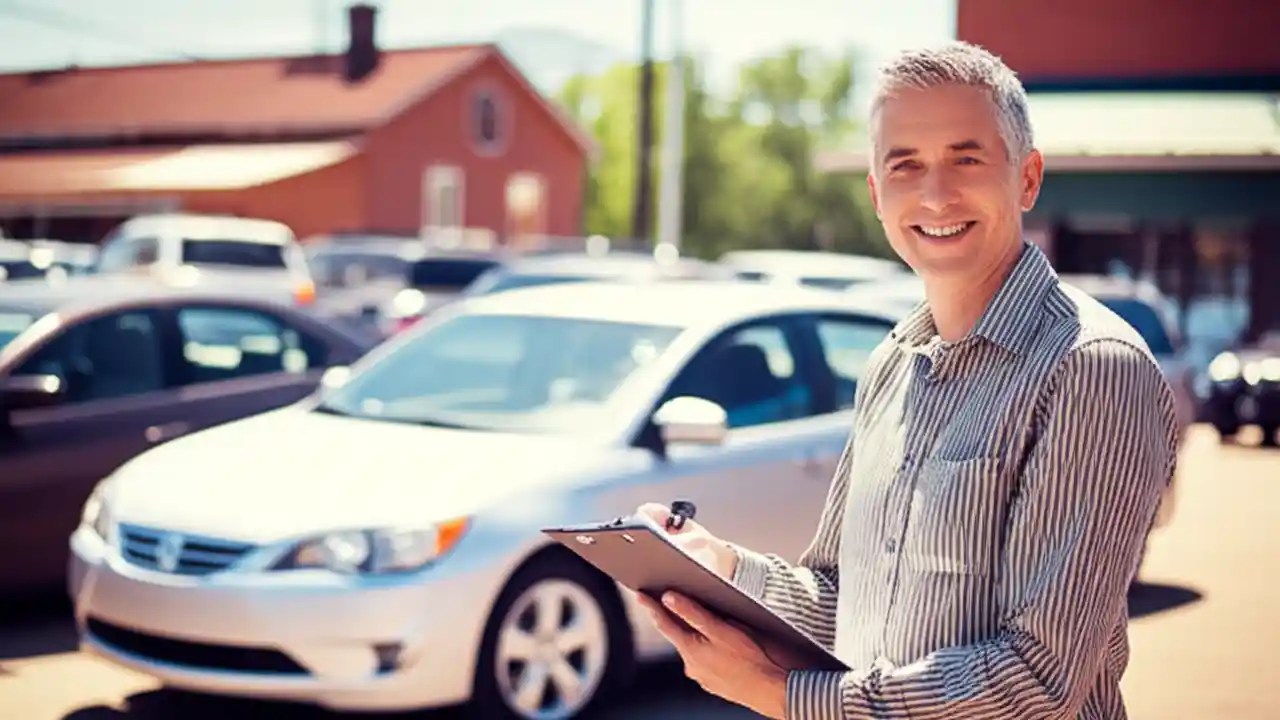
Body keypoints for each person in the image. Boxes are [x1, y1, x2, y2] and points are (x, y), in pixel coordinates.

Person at [636, 41, 1179, 720]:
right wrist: (722, 567)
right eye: (905, 165)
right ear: (875, 193)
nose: (934, 193)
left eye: (966, 158)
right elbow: (842, 599)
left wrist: (785, 697)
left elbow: (1037, 680)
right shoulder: (890, 364)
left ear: (1028, 177)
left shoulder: (1091, 369)